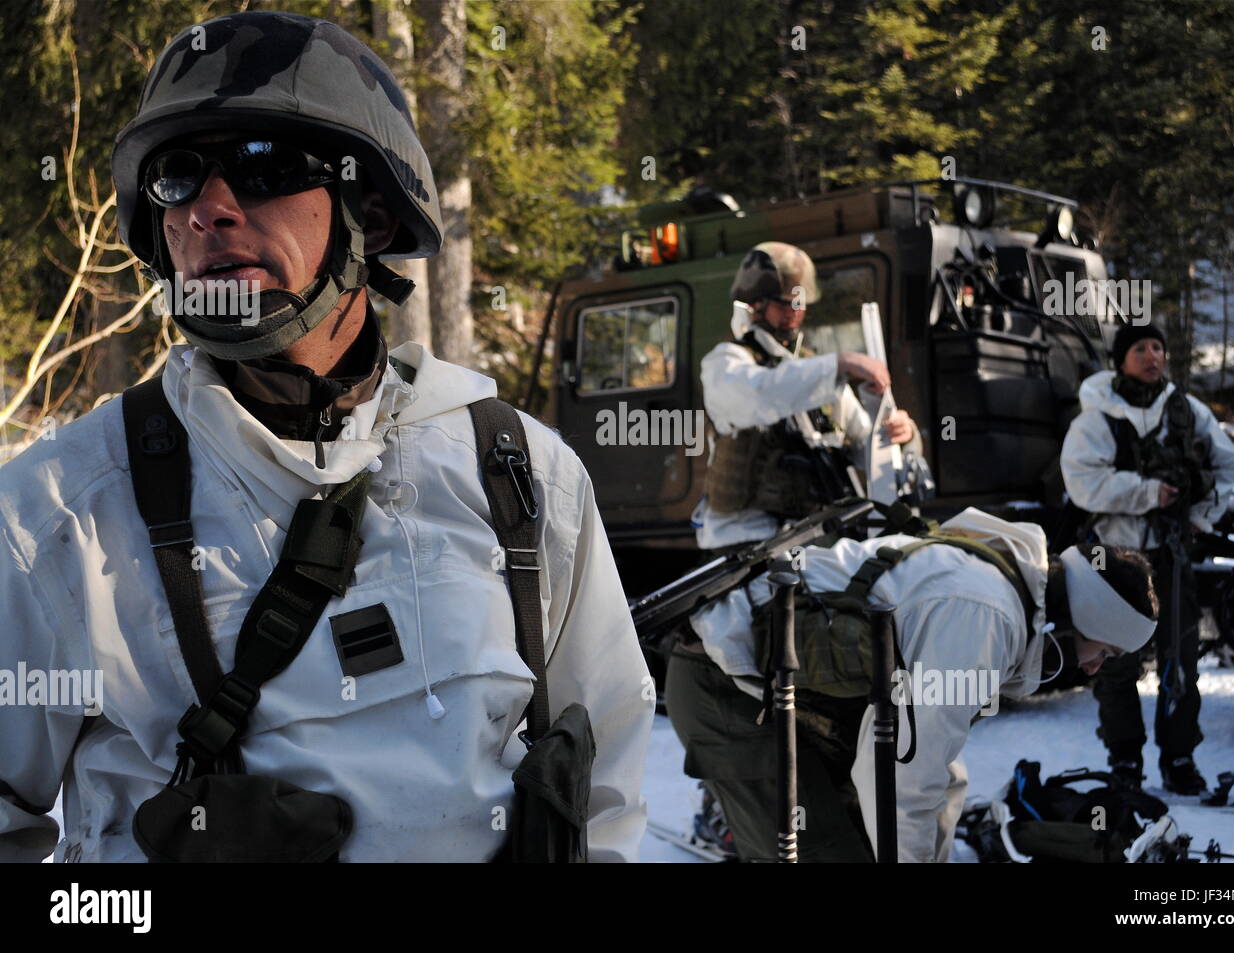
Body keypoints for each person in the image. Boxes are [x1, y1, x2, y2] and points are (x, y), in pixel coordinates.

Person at [0, 11, 653, 863]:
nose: (210, 209)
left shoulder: (520, 476)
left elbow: (605, 788)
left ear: (371, 221)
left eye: (263, 166)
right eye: (176, 180)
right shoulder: (62, 510)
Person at [669, 507, 1159, 862]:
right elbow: (900, 778)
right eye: (1106, 651)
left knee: (944, 787)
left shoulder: (1007, 584)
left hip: (789, 689)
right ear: (1086, 619)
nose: (1095, 667)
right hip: (724, 682)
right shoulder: (985, 617)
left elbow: (919, 764)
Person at [1061, 322, 1234, 794]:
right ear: (1120, 359)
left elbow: (1230, 466)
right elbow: (1082, 482)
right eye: (1139, 348)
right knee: (1115, 662)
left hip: (1172, 553)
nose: (1151, 356)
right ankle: (1125, 761)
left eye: (1158, 347)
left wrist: (1201, 515)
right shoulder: (1096, 417)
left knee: (1179, 660)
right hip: (1114, 560)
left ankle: (1179, 757)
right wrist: (1147, 492)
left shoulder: (1186, 411)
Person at [692, 242, 924, 551]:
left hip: (816, 539)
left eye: (800, 304)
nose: (795, 312)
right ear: (756, 303)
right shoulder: (726, 362)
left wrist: (900, 435)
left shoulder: (814, 372)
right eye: (785, 303)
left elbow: (864, 445)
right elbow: (762, 393)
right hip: (744, 543)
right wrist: (840, 364)